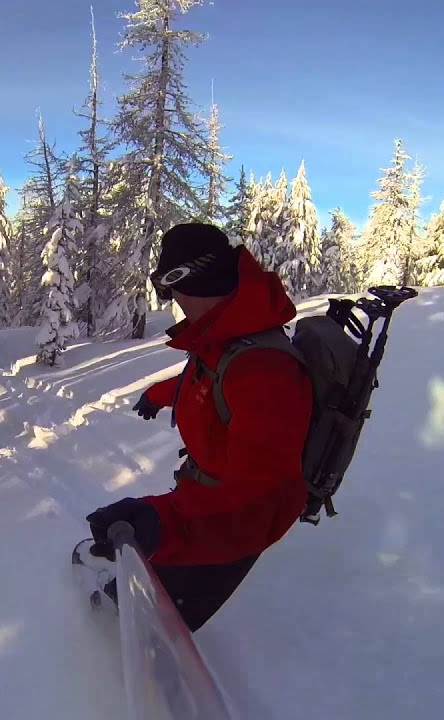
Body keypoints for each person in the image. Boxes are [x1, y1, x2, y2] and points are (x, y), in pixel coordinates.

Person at [86, 222, 312, 632]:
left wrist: (160, 522)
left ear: (195, 280)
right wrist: (159, 395)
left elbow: (256, 501)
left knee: (139, 625)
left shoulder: (264, 371)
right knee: (133, 601)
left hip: (228, 525)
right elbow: (207, 381)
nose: (171, 300)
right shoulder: (227, 336)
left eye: (170, 287)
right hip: (198, 501)